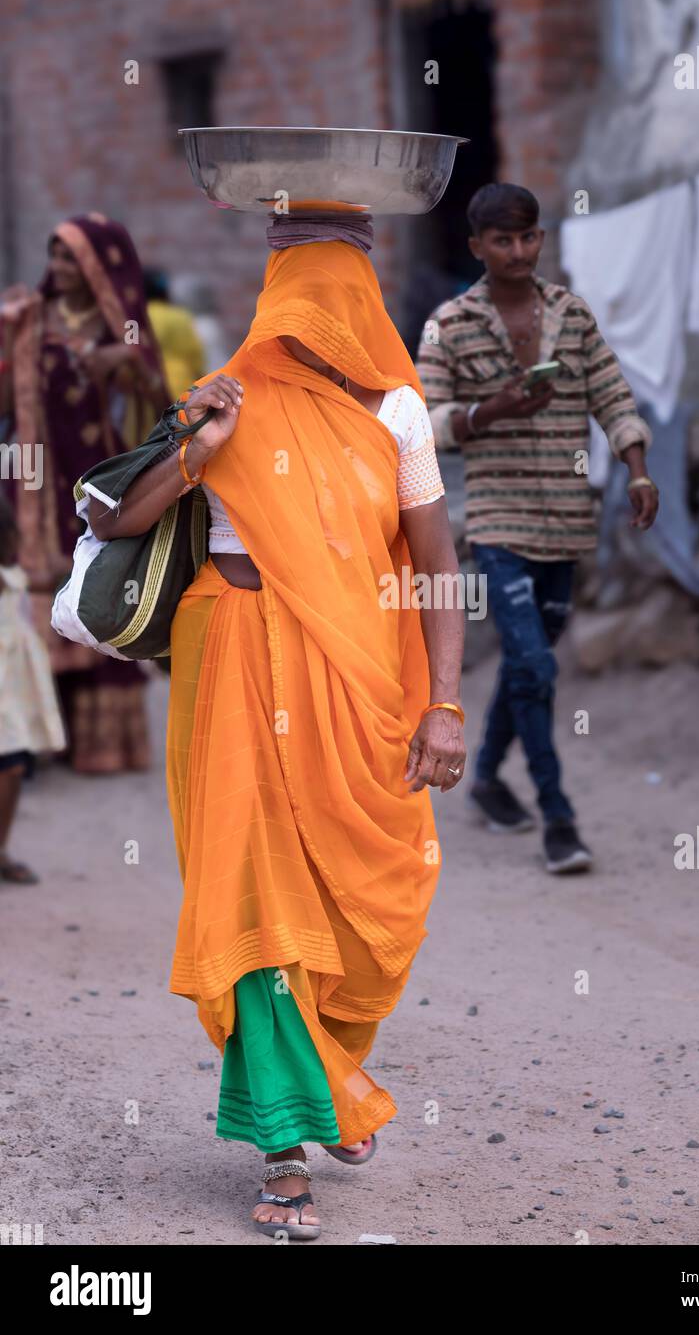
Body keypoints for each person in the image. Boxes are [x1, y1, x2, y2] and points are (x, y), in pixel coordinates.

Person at [86, 218, 466, 1240]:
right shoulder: (224, 392)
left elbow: (435, 565)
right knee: (253, 897)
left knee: (373, 894)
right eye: (295, 291)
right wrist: (195, 447)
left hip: (357, 675)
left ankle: (329, 1070)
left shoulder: (397, 410)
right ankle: (284, 1148)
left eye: (329, 293)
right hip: (235, 657)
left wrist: (444, 701)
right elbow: (113, 523)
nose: (310, 314)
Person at [416, 183, 658, 874]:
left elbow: (613, 394)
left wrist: (637, 469)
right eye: (502, 240)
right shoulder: (448, 324)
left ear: (541, 239)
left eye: (528, 237)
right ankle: (559, 817)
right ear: (476, 247)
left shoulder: (572, 316)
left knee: (527, 663)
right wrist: (491, 411)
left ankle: (486, 776)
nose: (518, 251)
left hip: (566, 519)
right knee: (540, 664)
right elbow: (426, 425)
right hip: (496, 519)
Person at [0, 213, 169, 773]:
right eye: (55, 255)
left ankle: (101, 744)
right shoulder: (28, 317)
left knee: (97, 583)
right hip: (32, 475)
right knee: (27, 589)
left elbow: (155, 399)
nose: (59, 267)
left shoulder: (117, 326)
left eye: (71, 257)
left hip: (95, 473)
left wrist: (125, 361)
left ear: (99, 266)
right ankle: (30, 739)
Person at [0, 495, 66, 883]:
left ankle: (1, 851)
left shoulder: (12, 576)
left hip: (9, 697)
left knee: (12, 769)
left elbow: (38, 582)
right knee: (11, 769)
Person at [143, 268, 206, 400]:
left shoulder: (139, 317)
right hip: (182, 383)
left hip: (150, 384)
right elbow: (195, 355)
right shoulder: (181, 317)